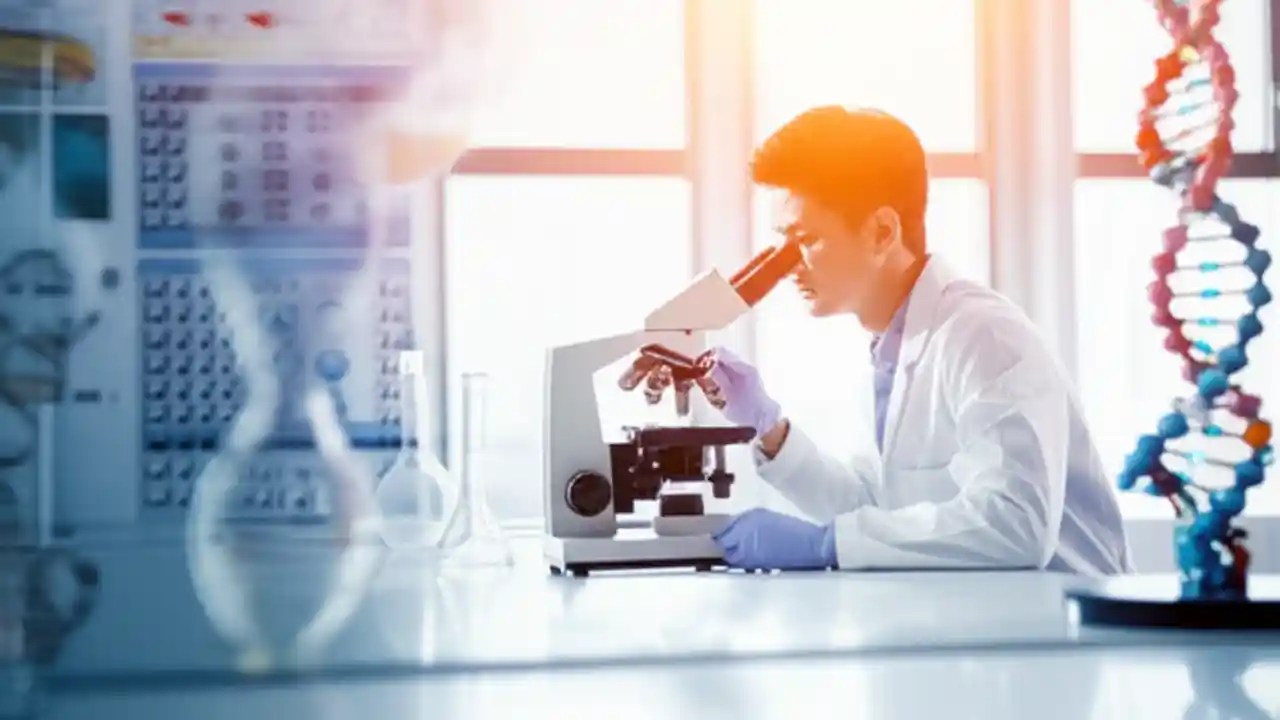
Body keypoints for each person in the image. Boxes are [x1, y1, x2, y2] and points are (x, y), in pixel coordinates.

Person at [622, 106, 1132, 576]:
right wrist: (768, 428)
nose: (788, 266)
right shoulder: (891, 347)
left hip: (1068, 627)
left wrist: (823, 544)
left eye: (805, 240)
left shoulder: (984, 337)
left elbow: (1015, 524)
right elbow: (876, 511)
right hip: (980, 623)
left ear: (883, 231)